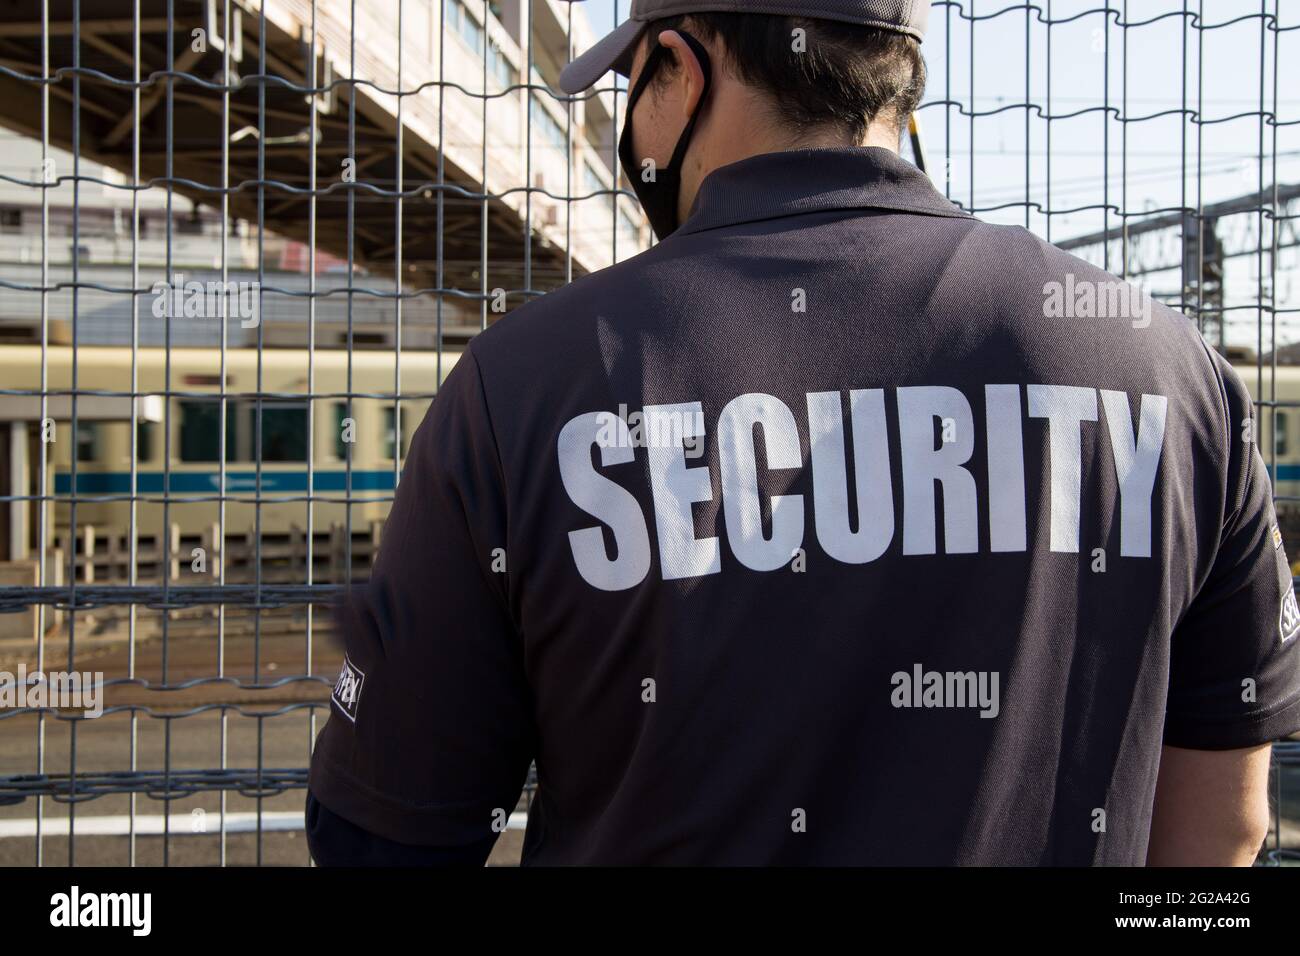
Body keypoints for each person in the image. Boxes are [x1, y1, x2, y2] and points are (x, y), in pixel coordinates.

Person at [306, 0, 1300, 865]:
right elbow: (1223, 819)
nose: (632, 129)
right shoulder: (1165, 370)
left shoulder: (523, 380)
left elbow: (385, 837)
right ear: (899, 83)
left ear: (682, 69)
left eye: (635, 86)